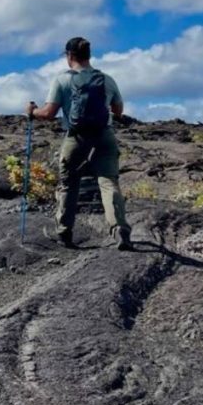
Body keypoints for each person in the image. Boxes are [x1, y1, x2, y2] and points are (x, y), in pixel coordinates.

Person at [27, 36, 132, 250]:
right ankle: (119, 228)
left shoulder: (62, 80)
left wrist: (32, 111)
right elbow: (118, 109)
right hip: (105, 135)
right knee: (108, 182)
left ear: (69, 56)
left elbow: (48, 113)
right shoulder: (107, 79)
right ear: (88, 56)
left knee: (69, 183)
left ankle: (64, 232)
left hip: (76, 137)